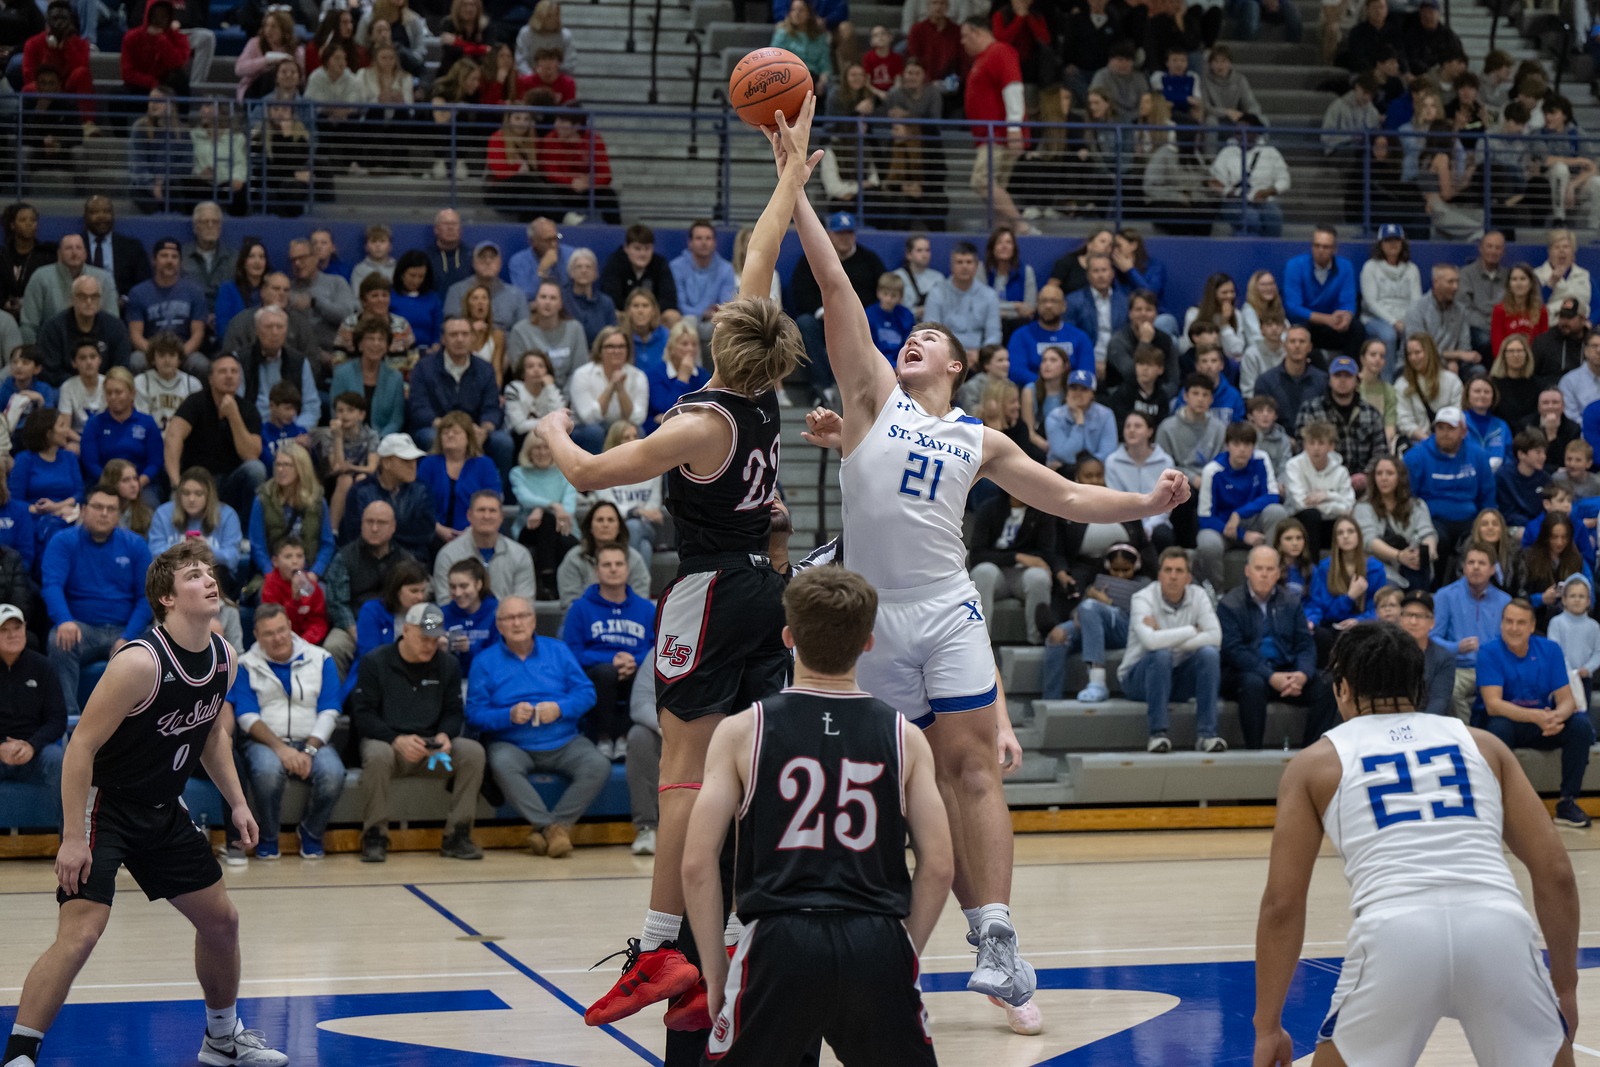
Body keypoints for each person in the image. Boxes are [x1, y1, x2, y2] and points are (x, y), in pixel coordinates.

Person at [786, 98, 1186, 1035]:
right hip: (870, 618)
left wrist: (1148, 505)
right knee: (889, 785)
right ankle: (878, 944)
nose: (913, 338)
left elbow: (1071, 499)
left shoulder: (980, 435)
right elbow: (836, 290)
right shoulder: (869, 398)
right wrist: (795, 185)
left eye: (931, 339)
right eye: (909, 334)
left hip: (948, 608)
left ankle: (997, 939)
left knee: (973, 773)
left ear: (958, 366)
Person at [539, 101, 816, 1035]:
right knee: (735, 766)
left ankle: (662, 944)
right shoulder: (764, 393)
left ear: (709, 341)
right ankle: (730, 923)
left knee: (683, 773)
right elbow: (765, 251)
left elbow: (582, 475)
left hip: (704, 586)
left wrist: (548, 428)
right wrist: (791, 165)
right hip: (761, 592)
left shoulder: (696, 423)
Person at [4, 539, 289, 1067]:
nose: (209, 580)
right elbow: (80, 748)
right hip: (105, 807)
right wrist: (71, 837)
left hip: (163, 807)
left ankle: (223, 1039)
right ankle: (20, 1054)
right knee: (82, 931)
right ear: (166, 598)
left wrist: (239, 803)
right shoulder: (139, 662)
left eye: (210, 572)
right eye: (194, 576)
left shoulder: (224, 656)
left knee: (222, 922)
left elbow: (210, 737)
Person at [1252, 620, 1579, 1067]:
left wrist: (1267, 1025)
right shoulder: (1482, 746)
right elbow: (1556, 872)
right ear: (1419, 684)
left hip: (1394, 937)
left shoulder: (1315, 763)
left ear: (1342, 688)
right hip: (1498, 930)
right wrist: (1565, 988)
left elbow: (1281, 904)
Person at [683, 566, 951, 1065]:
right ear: (868, 642)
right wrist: (903, 951)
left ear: (788, 638)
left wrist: (717, 973)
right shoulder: (905, 736)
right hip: (876, 936)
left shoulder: (743, 731)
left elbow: (697, 864)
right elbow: (938, 866)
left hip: (778, 942)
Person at [464, 595, 610, 860]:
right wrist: (507, 715)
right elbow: (474, 714)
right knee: (501, 763)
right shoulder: (484, 662)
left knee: (598, 764)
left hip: (564, 739)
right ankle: (550, 828)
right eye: (509, 618)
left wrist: (560, 708)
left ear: (534, 620)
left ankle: (554, 828)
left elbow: (587, 693)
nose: (517, 623)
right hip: (512, 743)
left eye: (523, 616)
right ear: (498, 625)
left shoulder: (558, 651)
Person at [347, 601, 487, 863]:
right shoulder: (375, 662)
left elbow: (454, 711)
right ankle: (375, 835)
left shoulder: (448, 665)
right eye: (424, 638)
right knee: (376, 753)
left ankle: (457, 835)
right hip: (390, 746)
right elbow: (363, 715)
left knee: (472, 752)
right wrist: (395, 739)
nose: (430, 646)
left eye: (435, 640)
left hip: (431, 749)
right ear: (407, 630)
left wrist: (445, 734)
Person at [228, 602, 343, 861]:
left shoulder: (321, 658)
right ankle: (268, 837)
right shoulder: (245, 664)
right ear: (256, 635)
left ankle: (311, 833)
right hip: (265, 742)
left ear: (290, 627)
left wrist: (309, 749)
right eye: (269, 633)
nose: (278, 638)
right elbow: (247, 716)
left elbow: (330, 710)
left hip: (312, 739)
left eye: (281, 630)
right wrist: (282, 750)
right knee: (267, 771)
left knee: (334, 773)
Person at [1477, 598, 1595, 830]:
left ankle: (1567, 802)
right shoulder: (1488, 651)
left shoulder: (1549, 650)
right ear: (1501, 624)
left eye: (1521, 623)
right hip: (1508, 722)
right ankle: (1497, 806)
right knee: (1498, 728)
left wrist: (1556, 718)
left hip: (1543, 722)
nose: (1513, 628)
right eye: (1508, 622)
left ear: (1532, 627)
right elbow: (1494, 705)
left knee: (1580, 727)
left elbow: (1567, 700)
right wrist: (1537, 717)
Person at [42, 486, 155, 719]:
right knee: (58, 640)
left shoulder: (135, 544)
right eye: (97, 507)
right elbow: (52, 585)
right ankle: (68, 720)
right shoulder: (63, 541)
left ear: (118, 514)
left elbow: (146, 597)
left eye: (111, 509)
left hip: (126, 629)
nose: (104, 513)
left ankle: (147, 723)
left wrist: (128, 636)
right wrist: (64, 620)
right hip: (82, 628)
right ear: (83, 510)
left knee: (160, 640)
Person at [1218, 545, 1337, 748]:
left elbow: (1305, 643)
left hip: (1286, 668)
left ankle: (1309, 752)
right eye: (1259, 568)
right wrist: (1270, 676)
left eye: (1270, 569)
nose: (1264, 574)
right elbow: (1234, 651)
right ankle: (1254, 752)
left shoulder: (1291, 601)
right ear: (1247, 571)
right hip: (1246, 672)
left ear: (1278, 572)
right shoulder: (1230, 604)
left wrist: (1302, 674)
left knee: (1328, 685)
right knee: (1253, 683)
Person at [1120, 547, 1224, 753]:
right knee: (1160, 655)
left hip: (1177, 677)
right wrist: (1191, 630)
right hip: (1138, 678)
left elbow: (1215, 637)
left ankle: (1207, 735)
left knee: (1209, 654)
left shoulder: (1199, 596)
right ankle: (1157, 735)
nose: (1173, 576)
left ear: (1188, 577)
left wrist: (1164, 635)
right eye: (1167, 570)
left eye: (1179, 571)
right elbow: (1150, 643)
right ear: (1159, 575)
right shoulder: (1142, 598)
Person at [164, 355, 266, 520]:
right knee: (174, 504)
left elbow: (251, 454)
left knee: (256, 469)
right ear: (211, 378)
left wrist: (234, 416)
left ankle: (246, 535)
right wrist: (177, 484)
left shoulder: (248, 410)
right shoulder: (195, 402)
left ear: (240, 378)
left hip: (230, 482)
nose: (229, 376)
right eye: (223, 371)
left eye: (234, 372)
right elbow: (173, 437)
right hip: (196, 481)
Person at [407, 317, 512, 474]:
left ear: (472, 338)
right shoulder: (424, 368)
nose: (460, 339)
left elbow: (492, 408)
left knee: (503, 442)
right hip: (438, 426)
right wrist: (450, 429)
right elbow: (419, 408)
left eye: (465, 334)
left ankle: (499, 496)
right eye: (454, 334)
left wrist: (484, 429)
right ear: (443, 339)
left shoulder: (485, 369)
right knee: (429, 437)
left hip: (476, 428)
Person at [1196, 421, 1287, 590]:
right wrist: (1242, 535)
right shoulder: (1213, 471)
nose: (1242, 449)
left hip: (1253, 521)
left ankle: (1273, 582)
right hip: (1224, 528)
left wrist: (1239, 514)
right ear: (1227, 446)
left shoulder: (1261, 459)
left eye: (1247, 444)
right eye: (1237, 444)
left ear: (1254, 446)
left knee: (1277, 512)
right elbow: (1205, 518)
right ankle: (1216, 592)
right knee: (1207, 542)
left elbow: (1273, 496)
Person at [1407, 406, 1494, 576]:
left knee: (1477, 541)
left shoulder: (1478, 455)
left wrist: (1486, 520)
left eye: (1451, 428)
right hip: (1433, 518)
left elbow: (1488, 495)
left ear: (1463, 431)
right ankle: (1432, 587)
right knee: (1438, 541)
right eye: (1440, 428)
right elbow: (1410, 497)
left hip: (1469, 518)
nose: (1445, 433)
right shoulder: (1415, 456)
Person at [1432, 543, 1513, 722]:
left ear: (1492, 569)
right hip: (1460, 668)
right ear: (1464, 567)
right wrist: (1456, 647)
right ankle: (1469, 736)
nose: (1476, 567)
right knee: (1451, 691)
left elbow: (1510, 640)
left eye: (1482, 563)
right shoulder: (1445, 596)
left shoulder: (1505, 601)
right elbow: (1432, 638)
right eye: (1471, 562)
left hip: (1494, 668)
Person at [0, 602, 66, 816]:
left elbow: (57, 718)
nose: (12, 635)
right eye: (4, 630)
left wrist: (31, 745)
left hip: (35, 751)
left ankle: (69, 841)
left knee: (59, 760)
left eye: (17, 628)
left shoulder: (42, 666)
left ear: (25, 629)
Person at [340, 433, 435, 561]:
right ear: (386, 463)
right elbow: (354, 534)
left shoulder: (422, 490)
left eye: (415, 460)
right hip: (369, 561)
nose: (413, 465)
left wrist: (383, 531)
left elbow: (426, 532)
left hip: (412, 562)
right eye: (406, 461)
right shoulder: (361, 492)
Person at [432, 490, 535, 603]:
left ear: (501, 517)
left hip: (507, 619)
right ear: (469, 515)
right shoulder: (448, 555)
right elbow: (445, 601)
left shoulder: (520, 555)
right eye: (481, 510)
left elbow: (525, 602)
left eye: (492, 511)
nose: (486, 516)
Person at [36, 275, 131, 388]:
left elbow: (121, 368)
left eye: (94, 296)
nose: (89, 301)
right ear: (72, 298)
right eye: (82, 296)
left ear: (100, 300)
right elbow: (49, 372)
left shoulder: (116, 327)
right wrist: (82, 384)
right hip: (64, 388)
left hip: (106, 389)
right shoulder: (53, 328)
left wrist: (100, 384)